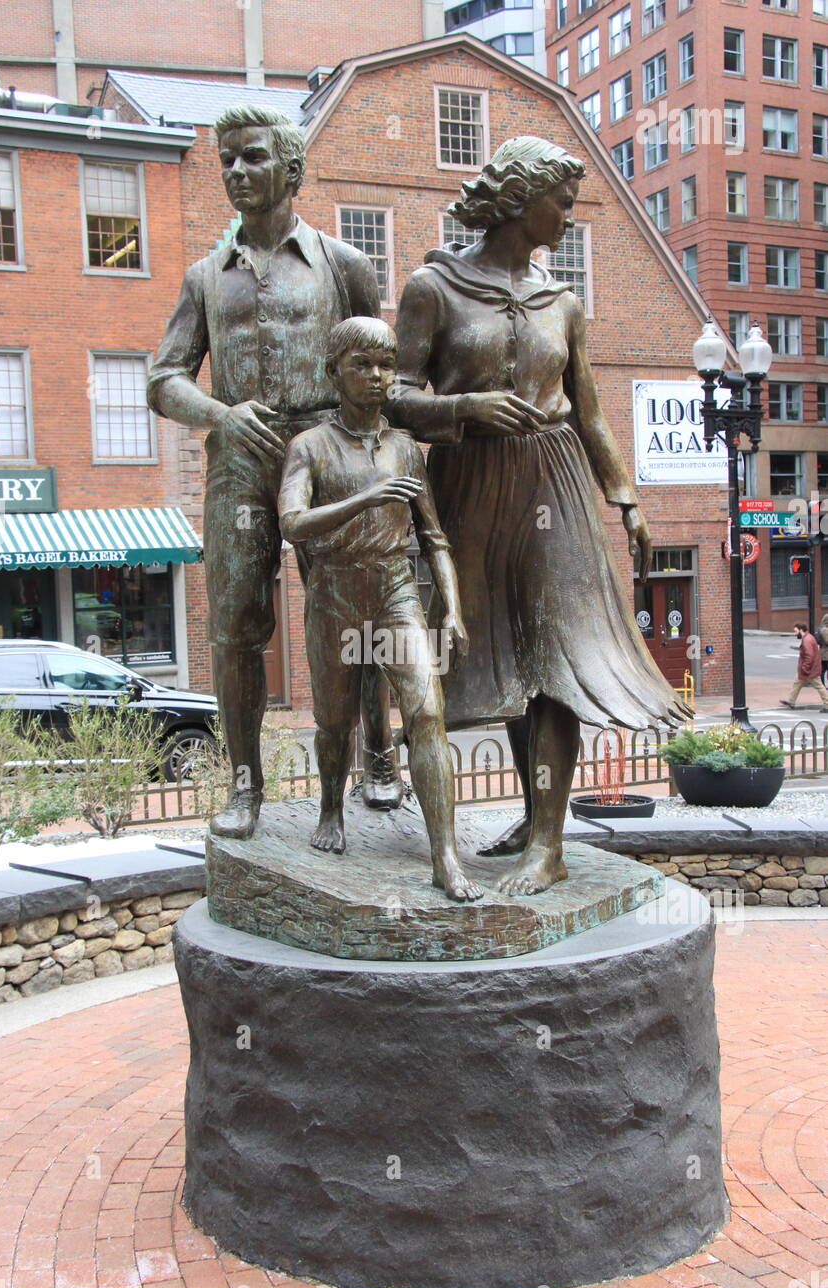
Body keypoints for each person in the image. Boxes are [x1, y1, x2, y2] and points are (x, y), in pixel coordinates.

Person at [389, 135, 689, 896]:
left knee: (555, 653)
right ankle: (529, 813)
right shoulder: (434, 286)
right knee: (493, 656)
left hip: (554, 480)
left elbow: (589, 412)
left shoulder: (564, 301)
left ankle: (547, 841)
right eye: (562, 202)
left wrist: (624, 497)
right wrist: (461, 407)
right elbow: (392, 398)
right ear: (522, 201)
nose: (569, 216)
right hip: (468, 483)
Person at [147, 104, 402, 838]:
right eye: (226, 159)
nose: (235, 172)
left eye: (252, 157)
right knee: (233, 629)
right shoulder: (204, 277)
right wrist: (221, 414)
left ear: (291, 171)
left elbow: (375, 359)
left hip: (330, 456)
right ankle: (244, 786)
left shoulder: (343, 264)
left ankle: (378, 756)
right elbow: (164, 378)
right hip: (240, 464)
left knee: (364, 611)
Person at [278, 317, 482, 903]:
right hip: (336, 592)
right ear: (333, 371)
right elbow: (292, 523)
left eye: (385, 365)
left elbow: (435, 538)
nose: (376, 376)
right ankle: (329, 810)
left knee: (426, 712)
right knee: (333, 720)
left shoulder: (403, 450)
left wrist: (454, 609)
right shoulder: (310, 448)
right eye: (362, 364)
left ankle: (443, 854)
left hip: (396, 589)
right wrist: (364, 497)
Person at [780, 623, 828, 710]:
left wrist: (805, 668)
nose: (795, 634)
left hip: (810, 670)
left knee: (819, 686)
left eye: (795, 631)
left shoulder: (807, 640)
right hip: (808, 670)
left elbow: (809, 656)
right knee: (797, 683)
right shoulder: (808, 638)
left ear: (801, 630)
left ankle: (827, 704)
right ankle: (791, 702)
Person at [818, 612, 828, 687]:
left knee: (823, 670)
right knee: (823, 670)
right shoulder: (825, 630)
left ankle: (822, 685)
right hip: (826, 654)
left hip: (824, 653)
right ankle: (822, 685)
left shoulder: (823, 628)